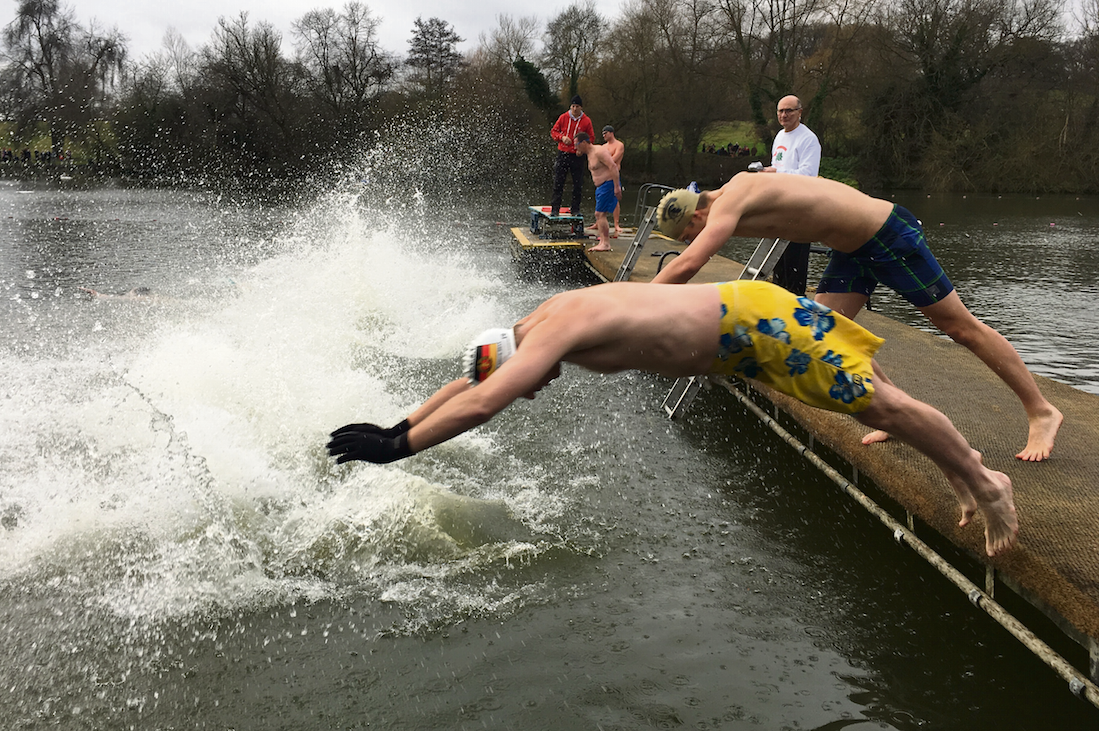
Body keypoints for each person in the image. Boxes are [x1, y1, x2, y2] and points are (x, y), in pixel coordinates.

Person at [326, 280, 1018, 557]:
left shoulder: (547, 340)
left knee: (881, 404)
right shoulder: (536, 320)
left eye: (525, 384)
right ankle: (964, 477)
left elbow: (484, 400)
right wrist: (397, 425)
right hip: (745, 315)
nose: (530, 391)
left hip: (753, 333)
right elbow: (471, 381)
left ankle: (987, 485)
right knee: (877, 393)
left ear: (519, 361)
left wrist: (400, 452)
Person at [650, 174, 1063, 462]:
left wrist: (630, 303)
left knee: (960, 328)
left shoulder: (730, 203)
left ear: (697, 217)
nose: (691, 241)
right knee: (828, 332)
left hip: (887, 235)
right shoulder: (731, 189)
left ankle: (1041, 410)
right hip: (851, 248)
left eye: (688, 235)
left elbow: (689, 264)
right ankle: (901, 415)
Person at [761, 95, 822, 295]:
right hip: (779, 206)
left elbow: (808, 175)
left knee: (794, 266)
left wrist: (776, 172)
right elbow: (779, 166)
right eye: (780, 111)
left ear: (799, 112)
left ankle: (796, 305)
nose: (784, 115)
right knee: (778, 266)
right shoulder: (779, 136)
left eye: (789, 110)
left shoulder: (808, 139)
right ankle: (779, 304)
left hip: (799, 210)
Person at [549, 96, 596, 218]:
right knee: (559, 182)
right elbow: (553, 132)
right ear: (570, 106)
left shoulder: (586, 121)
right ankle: (555, 208)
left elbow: (591, 138)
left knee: (578, 183)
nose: (575, 109)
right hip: (563, 153)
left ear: (581, 107)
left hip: (577, 155)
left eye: (577, 107)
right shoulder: (563, 117)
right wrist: (562, 137)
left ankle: (575, 209)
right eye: (573, 106)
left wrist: (583, 149)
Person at [574, 131, 621, 253]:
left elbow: (613, 166)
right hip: (601, 187)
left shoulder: (599, 151)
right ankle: (602, 241)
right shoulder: (589, 153)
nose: (575, 147)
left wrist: (617, 187)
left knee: (600, 214)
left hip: (608, 184)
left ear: (584, 143)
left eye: (577, 144)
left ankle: (605, 243)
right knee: (599, 214)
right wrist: (579, 151)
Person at [602, 125, 626, 236]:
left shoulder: (619, 145)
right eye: (603, 134)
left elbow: (614, 159)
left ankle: (616, 224)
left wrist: (604, 161)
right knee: (601, 197)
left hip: (613, 175)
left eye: (605, 133)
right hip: (603, 175)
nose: (604, 135)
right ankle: (599, 221)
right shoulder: (603, 147)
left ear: (611, 133)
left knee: (615, 199)